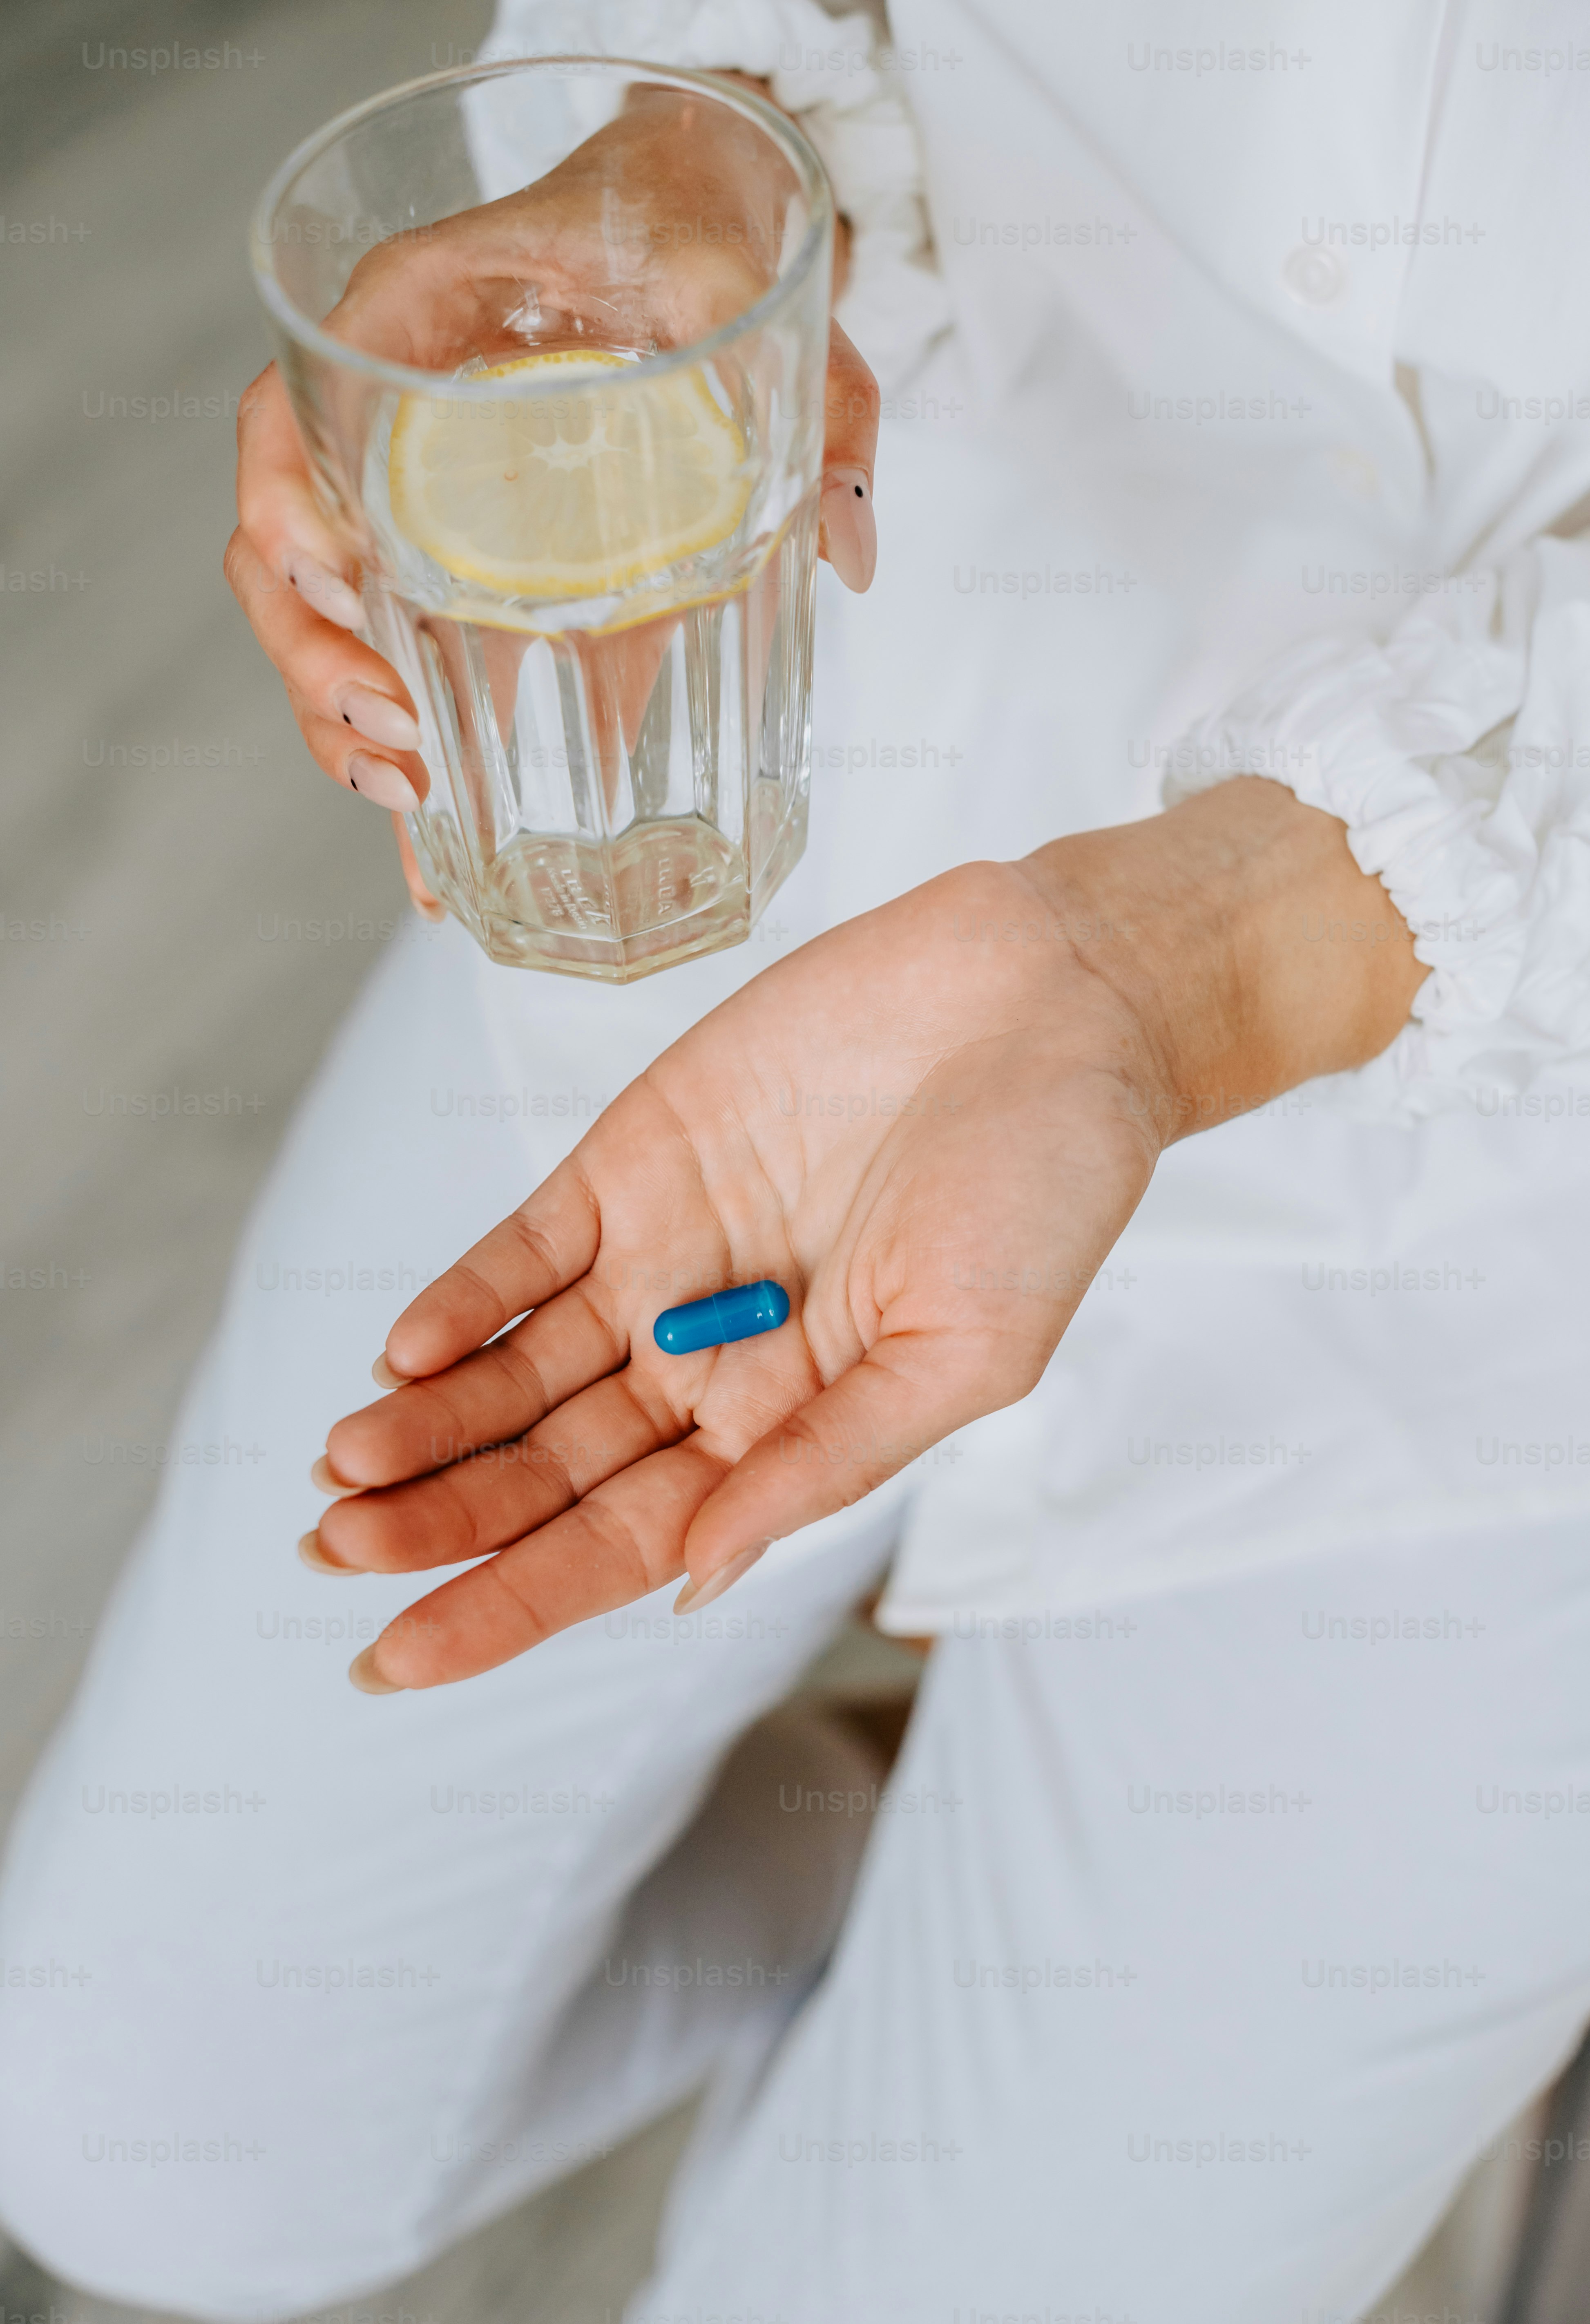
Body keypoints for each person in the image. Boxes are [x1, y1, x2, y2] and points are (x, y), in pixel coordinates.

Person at [3, 1, 1590, 2317]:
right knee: (158, 2146)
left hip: (1500, 1282)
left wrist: (1183, 970)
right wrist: (675, 149)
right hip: (819, 809)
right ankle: (888, 1796)